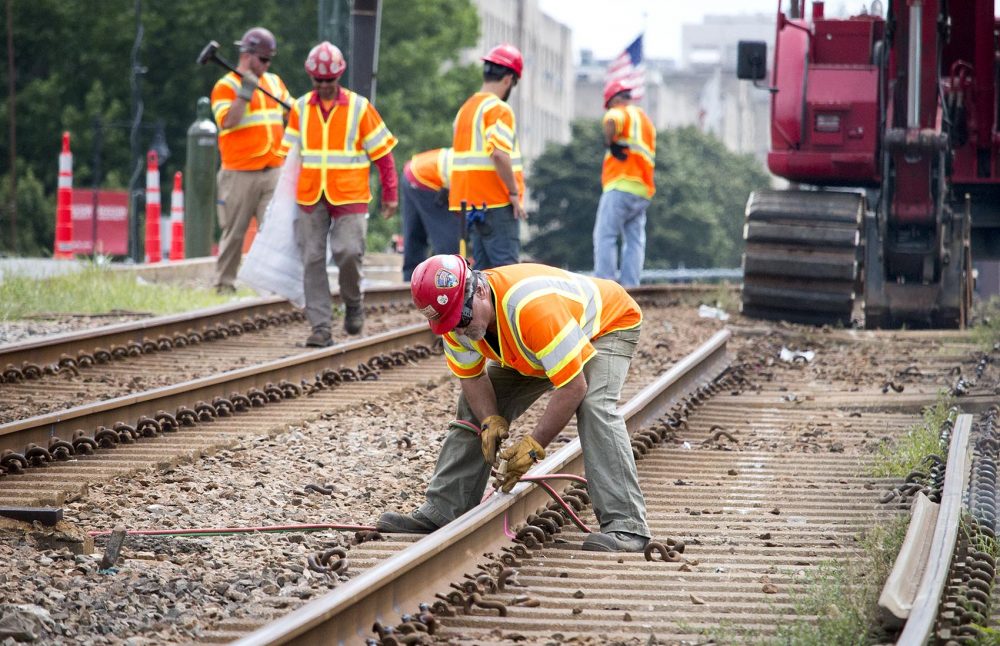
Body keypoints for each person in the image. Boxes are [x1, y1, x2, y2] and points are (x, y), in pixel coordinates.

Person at [376, 254, 651, 553]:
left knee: (594, 407)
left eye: (462, 319)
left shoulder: (531, 309)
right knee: (473, 408)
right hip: (536, 347)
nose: (459, 330)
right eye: (449, 324)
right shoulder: (456, 320)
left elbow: (573, 386)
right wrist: (490, 420)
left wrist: (533, 447)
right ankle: (444, 509)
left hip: (606, 327)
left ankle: (626, 526)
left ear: (479, 290)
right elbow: (472, 379)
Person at [279, 42, 398, 347]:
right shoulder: (301, 108)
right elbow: (288, 155)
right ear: (311, 78)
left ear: (339, 77)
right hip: (309, 194)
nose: (324, 86)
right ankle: (320, 327)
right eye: (318, 81)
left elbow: (383, 153)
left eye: (329, 81)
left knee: (347, 252)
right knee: (312, 258)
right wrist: (278, 199)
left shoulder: (359, 108)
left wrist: (390, 193)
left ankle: (353, 302)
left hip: (350, 193)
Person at [210, 27, 292, 295]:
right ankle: (224, 284)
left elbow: (292, 114)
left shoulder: (274, 83)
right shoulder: (226, 86)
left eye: (270, 60)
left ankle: (271, 286)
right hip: (239, 173)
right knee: (235, 232)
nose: (268, 65)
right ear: (248, 55)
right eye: (264, 60)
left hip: (272, 170)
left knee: (273, 232)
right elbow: (228, 121)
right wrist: (245, 91)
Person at [450, 44, 526, 270]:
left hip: (469, 207)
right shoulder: (498, 109)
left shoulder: (466, 109)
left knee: (480, 279)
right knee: (507, 276)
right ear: (508, 79)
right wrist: (513, 192)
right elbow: (500, 155)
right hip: (496, 204)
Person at [592, 79, 657, 288]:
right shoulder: (646, 122)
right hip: (642, 191)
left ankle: (606, 286)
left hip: (620, 185)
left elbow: (611, 120)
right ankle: (630, 286)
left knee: (605, 235)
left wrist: (610, 143)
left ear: (616, 99)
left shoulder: (621, 111)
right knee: (635, 240)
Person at [400, 148, 459, 281]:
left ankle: (411, 280)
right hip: (425, 179)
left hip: (412, 170)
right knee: (448, 241)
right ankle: (449, 282)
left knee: (414, 234)